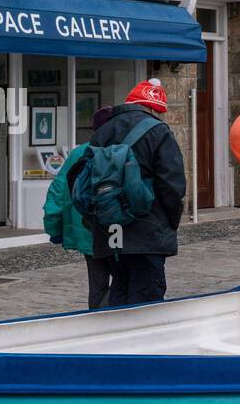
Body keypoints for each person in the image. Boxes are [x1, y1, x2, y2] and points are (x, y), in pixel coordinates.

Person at [85, 79, 187, 305]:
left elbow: (83, 180)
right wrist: (170, 222)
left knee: (119, 292)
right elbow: (172, 185)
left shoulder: (102, 132)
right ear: (153, 108)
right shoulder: (159, 132)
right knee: (145, 302)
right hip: (147, 232)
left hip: (109, 233)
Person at [43, 106, 115, 308]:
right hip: (117, 229)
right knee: (123, 280)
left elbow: (57, 192)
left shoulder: (78, 153)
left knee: (97, 284)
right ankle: (110, 322)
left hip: (86, 229)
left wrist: (54, 228)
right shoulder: (122, 151)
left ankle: (96, 322)